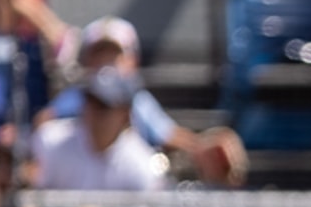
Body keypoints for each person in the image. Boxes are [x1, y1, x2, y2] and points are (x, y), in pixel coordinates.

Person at [41, 17, 245, 187]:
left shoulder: (139, 104)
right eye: (99, 55)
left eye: (114, 56)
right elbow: (43, 129)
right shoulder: (73, 100)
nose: (107, 65)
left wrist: (202, 147)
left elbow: (168, 135)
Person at [23, 67, 166, 193]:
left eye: (103, 106)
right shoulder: (51, 141)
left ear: (125, 115)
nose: (93, 111)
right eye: (90, 101)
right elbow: (31, 198)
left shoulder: (140, 165)